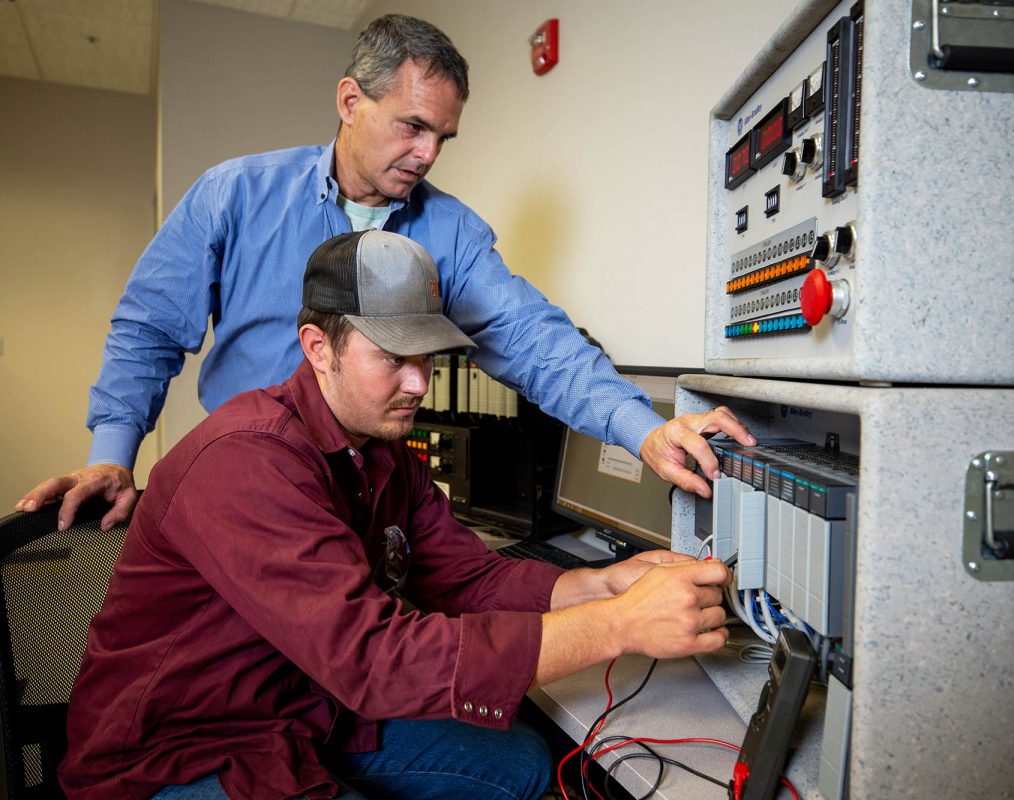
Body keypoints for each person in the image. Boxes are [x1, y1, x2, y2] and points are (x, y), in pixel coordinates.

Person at [58, 230, 732, 800]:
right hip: (183, 750)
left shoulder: (380, 452)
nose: (419, 383)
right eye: (392, 357)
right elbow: (375, 661)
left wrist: (605, 584)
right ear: (318, 349)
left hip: (303, 707)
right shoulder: (246, 461)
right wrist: (618, 625)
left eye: (425, 357)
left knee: (525, 764)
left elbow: (467, 578)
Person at [15, 14, 754, 532]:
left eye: (443, 136)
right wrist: (112, 458)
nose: (428, 154)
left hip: (367, 499)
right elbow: (147, 330)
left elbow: (533, 339)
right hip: (244, 487)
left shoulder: (451, 232)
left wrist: (642, 429)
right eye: (413, 126)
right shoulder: (234, 195)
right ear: (350, 102)